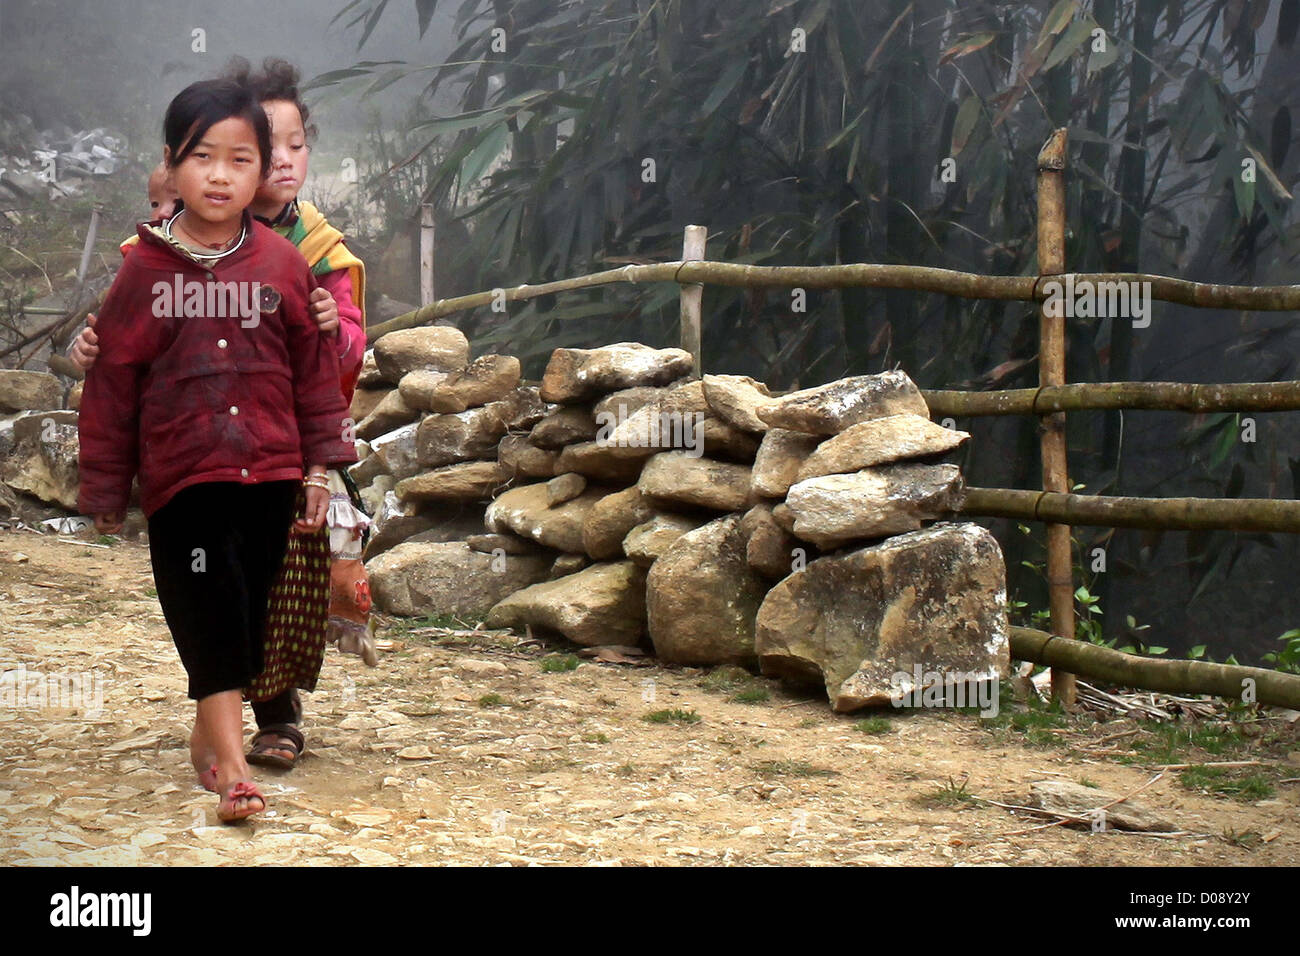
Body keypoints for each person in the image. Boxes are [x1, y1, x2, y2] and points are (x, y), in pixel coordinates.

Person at [77, 78, 356, 823]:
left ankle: (210, 737)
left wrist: (321, 466)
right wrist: (105, 487)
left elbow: (314, 376)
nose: (221, 175)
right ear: (171, 164)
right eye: (203, 157)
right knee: (206, 599)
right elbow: (113, 381)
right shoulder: (145, 271)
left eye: (241, 160)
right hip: (181, 473)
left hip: (267, 472)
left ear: (260, 172)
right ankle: (232, 770)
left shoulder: (283, 266)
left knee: (244, 602)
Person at [228, 57, 373, 773]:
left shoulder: (320, 251)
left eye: (296, 144)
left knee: (288, 573)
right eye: (266, 147)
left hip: (292, 445)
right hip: (213, 440)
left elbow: (352, 345)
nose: (285, 161)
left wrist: (329, 328)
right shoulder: (190, 239)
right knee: (220, 575)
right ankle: (220, 707)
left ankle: (278, 710)